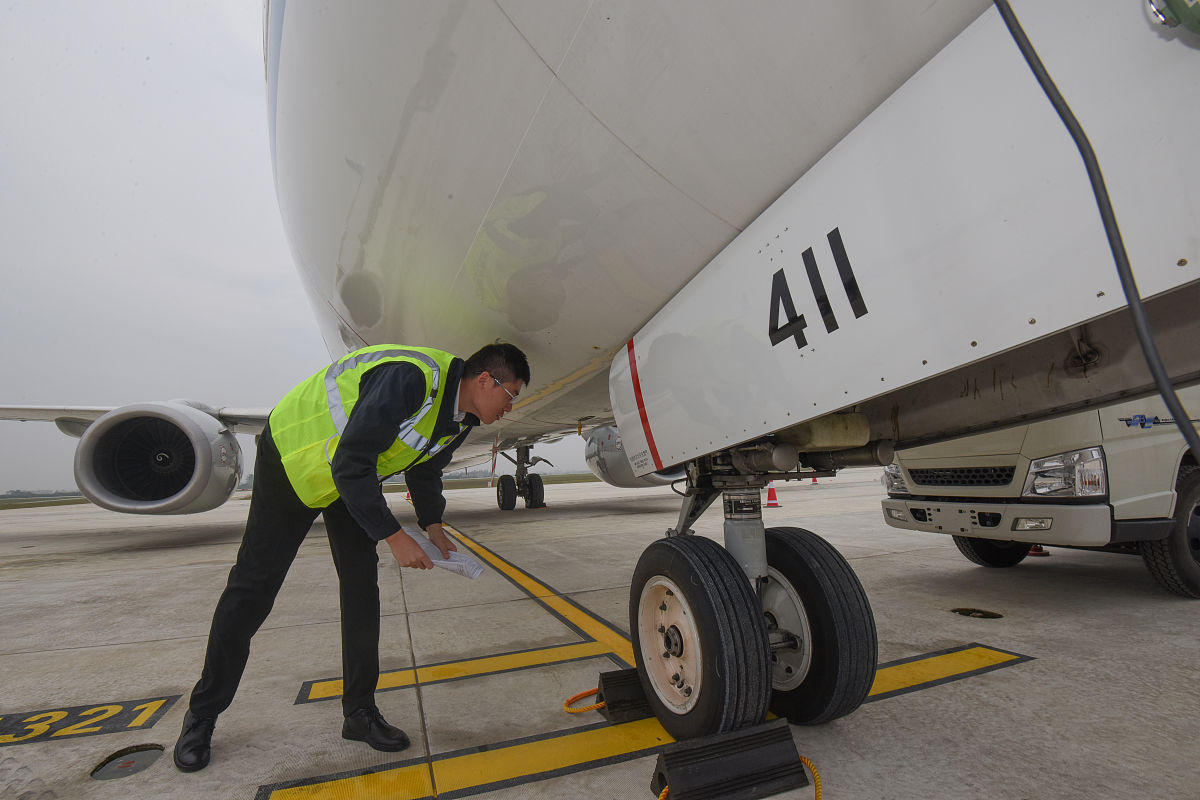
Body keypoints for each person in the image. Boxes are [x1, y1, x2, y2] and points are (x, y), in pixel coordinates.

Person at [173, 342, 529, 773]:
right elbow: (351, 461)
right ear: (485, 380)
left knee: (362, 589)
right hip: (294, 460)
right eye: (511, 395)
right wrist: (395, 536)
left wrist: (433, 522)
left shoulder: (462, 417)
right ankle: (202, 714)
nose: (511, 409)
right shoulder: (412, 378)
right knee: (254, 587)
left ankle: (359, 713)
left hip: (351, 480)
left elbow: (425, 468)